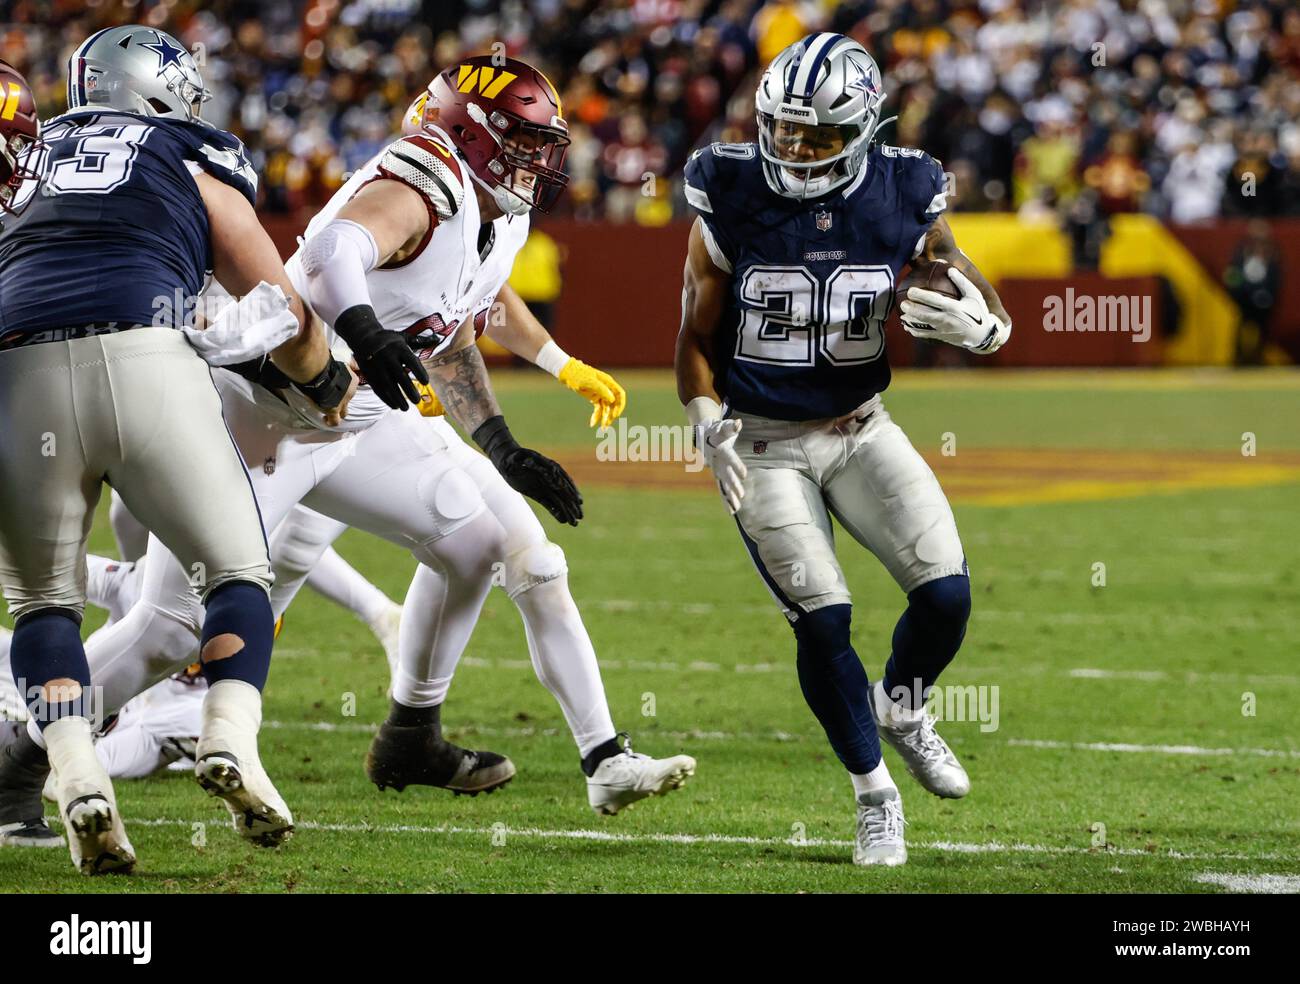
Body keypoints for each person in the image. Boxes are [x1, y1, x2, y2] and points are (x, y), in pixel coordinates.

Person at [0, 31, 356, 872]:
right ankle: (230, 740)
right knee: (235, 574)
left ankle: (79, 772)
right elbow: (274, 299)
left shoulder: (24, 152)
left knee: (44, 607)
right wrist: (327, 384)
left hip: (17, 372)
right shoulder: (187, 147)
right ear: (157, 91)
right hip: (144, 355)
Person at [675, 33, 1011, 866]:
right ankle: (875, 797)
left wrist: (989, 326)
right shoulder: (729, 186)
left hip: (861, 426)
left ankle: (903, 706)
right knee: (825, 623)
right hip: (762, 442)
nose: (793, 149)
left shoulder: (906, 187)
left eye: (817, 135)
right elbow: (693, 333)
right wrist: (702, 416)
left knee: (947, 600)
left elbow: (963, 275)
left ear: (863, 128)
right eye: (782, 130)